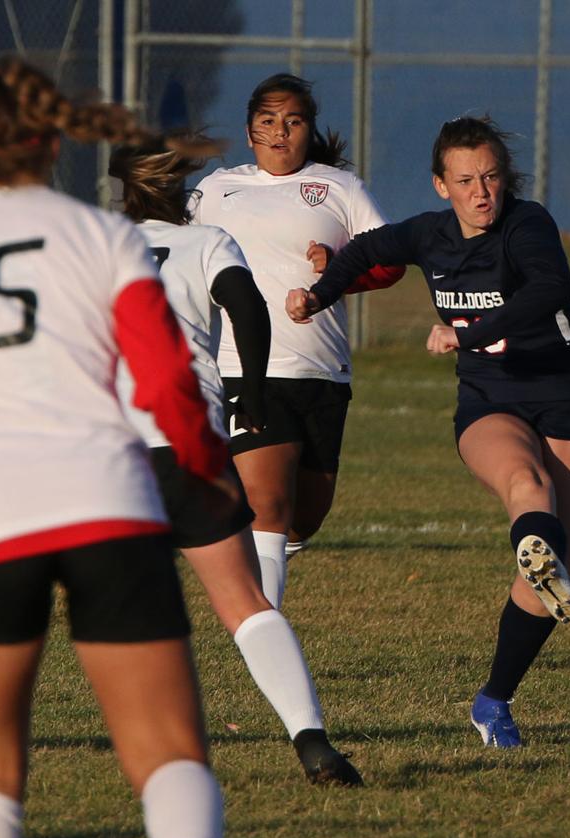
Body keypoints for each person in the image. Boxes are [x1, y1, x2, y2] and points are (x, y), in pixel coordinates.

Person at [0, 58, 225, 838]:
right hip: (111, 500)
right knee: (168, 750)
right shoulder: (105, 236)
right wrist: (208, 469)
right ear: (52, 139)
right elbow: (169, 380)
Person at [286, 116, 570, 748]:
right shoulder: (429, 235)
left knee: (548, 576)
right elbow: (364, 252)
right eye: (465, 180)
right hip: (491, 398)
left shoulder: (528, 224)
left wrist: (466, 332)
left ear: (504, 179)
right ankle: (538, 550)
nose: (481, 191)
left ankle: (494, 700)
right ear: (442, 185)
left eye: (490, 177)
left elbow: (549, 289)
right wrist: (320, 295)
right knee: (525, 482)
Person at [110, 134, 362, 786]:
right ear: (182, 195)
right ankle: (312, 742)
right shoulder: (206, 242)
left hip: (106, 454)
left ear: (120, 190)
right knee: (247, 603)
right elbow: (247, 308)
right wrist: (249, 392)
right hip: (188, 447)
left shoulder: (96, 248)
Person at [191, 73, 404, 610]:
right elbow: (174, 251)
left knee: (303, 518)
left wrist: (338, 270)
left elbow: (389, 263)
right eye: (268, 122)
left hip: (322, 374)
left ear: (310, 129)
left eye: (293, 121)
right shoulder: (215, 190)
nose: (280, 132)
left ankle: (262, 565)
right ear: (249, 132)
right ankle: (265, 634)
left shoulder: (338, 188)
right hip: (245, 369)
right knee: (268, 505)